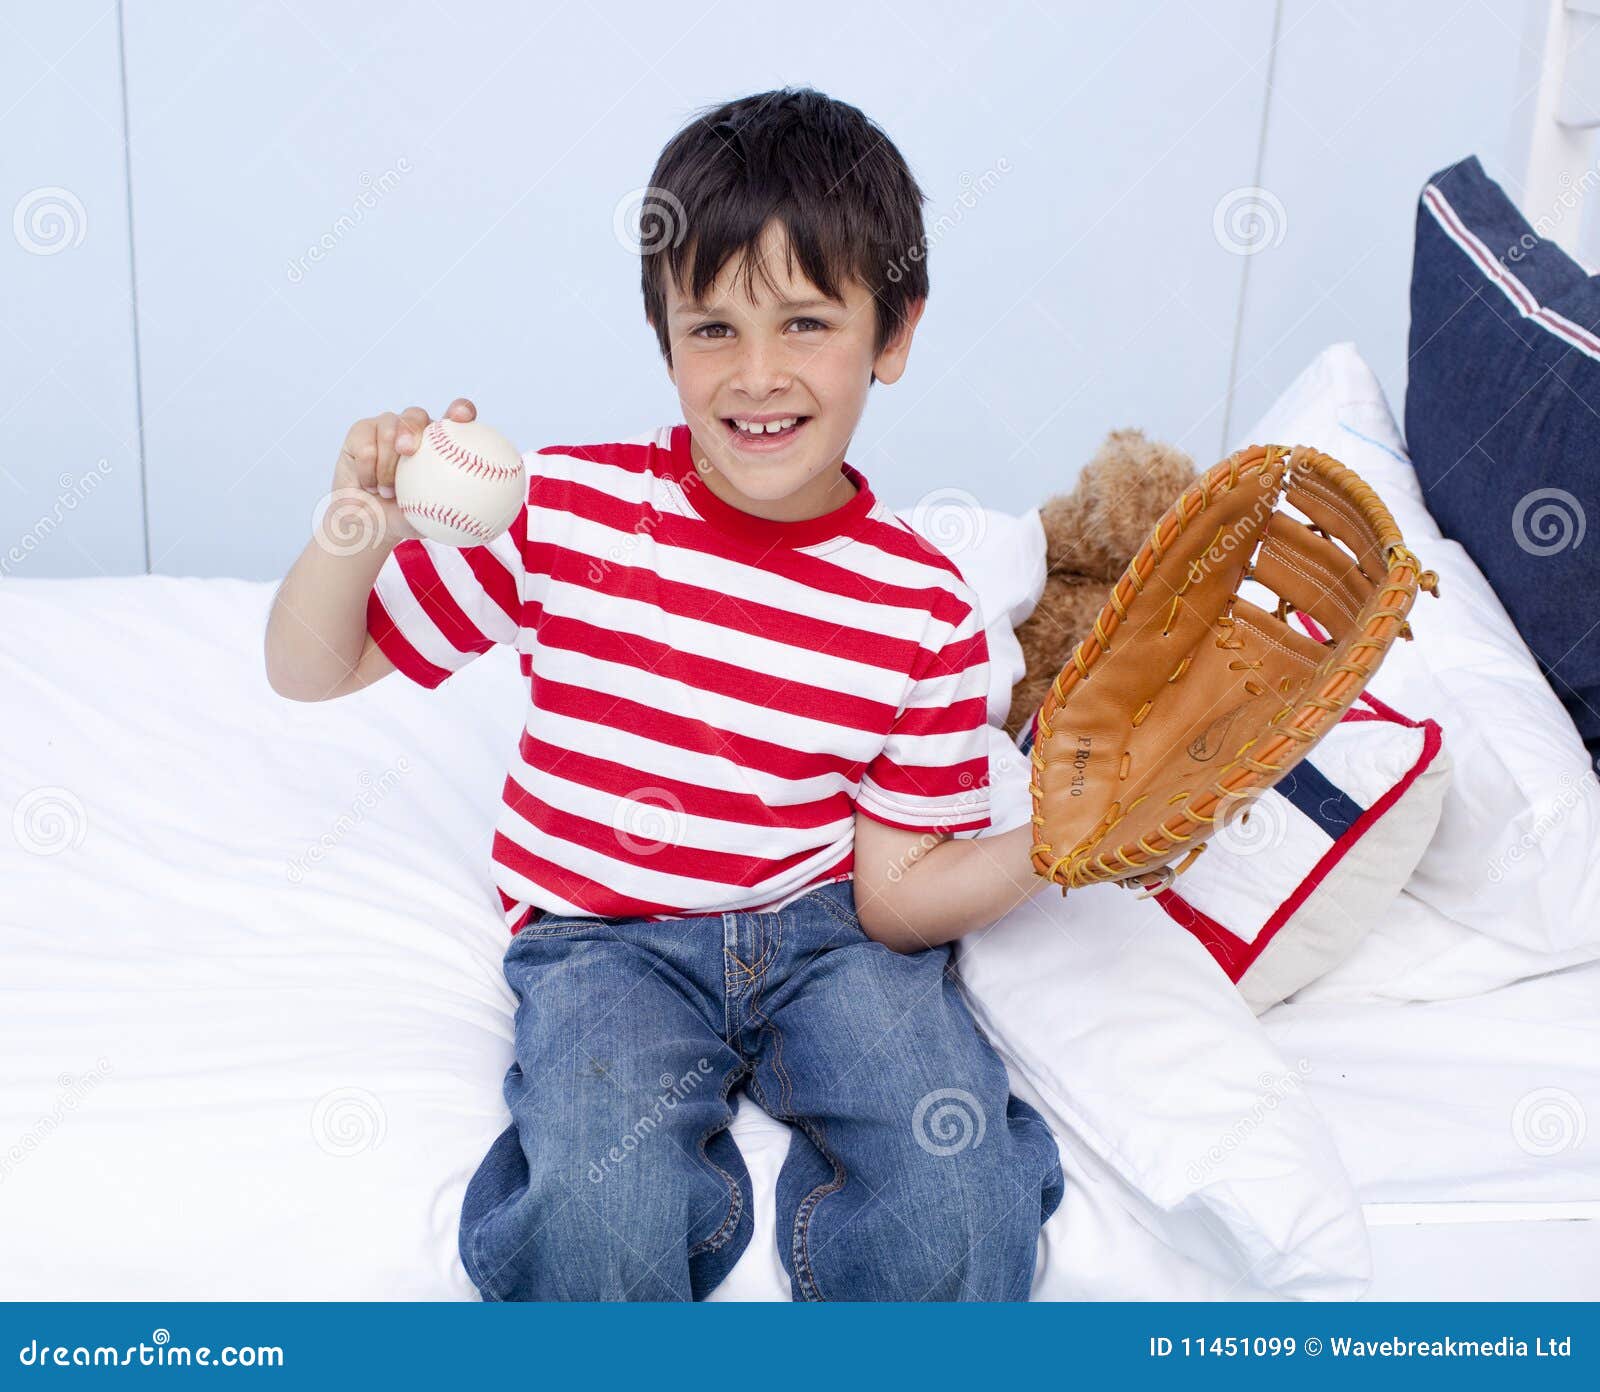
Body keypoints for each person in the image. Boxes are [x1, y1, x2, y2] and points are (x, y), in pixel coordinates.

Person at [264, 87, 1063, 1302]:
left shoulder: (922, 607)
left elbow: (900, 898)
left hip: (827, 939)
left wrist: (1055, 846)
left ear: (891, 334)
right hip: (604, 942)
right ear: (663, 335)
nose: (756, 376)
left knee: (958, 1204)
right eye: (711, 329)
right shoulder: (566, 513)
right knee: (597, 1204)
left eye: (806, 322)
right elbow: (311, 669)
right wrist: (355, 525)